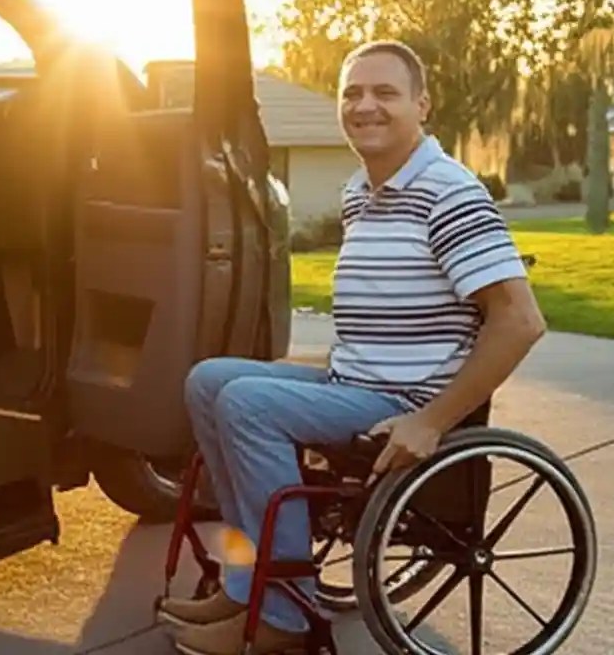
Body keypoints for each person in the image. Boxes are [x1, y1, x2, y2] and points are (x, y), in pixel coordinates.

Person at [158, 40, 548, 655]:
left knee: (247, 405)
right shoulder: (358, 193)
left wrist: (431, 421)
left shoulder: (448, 192)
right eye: (352, 93)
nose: (365, 106)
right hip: (354, 384)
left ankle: (285, 620)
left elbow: (520, 321)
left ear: (423, 105)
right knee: (208, 380)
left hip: (406, 398)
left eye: (385, 93)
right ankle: (244, 581)